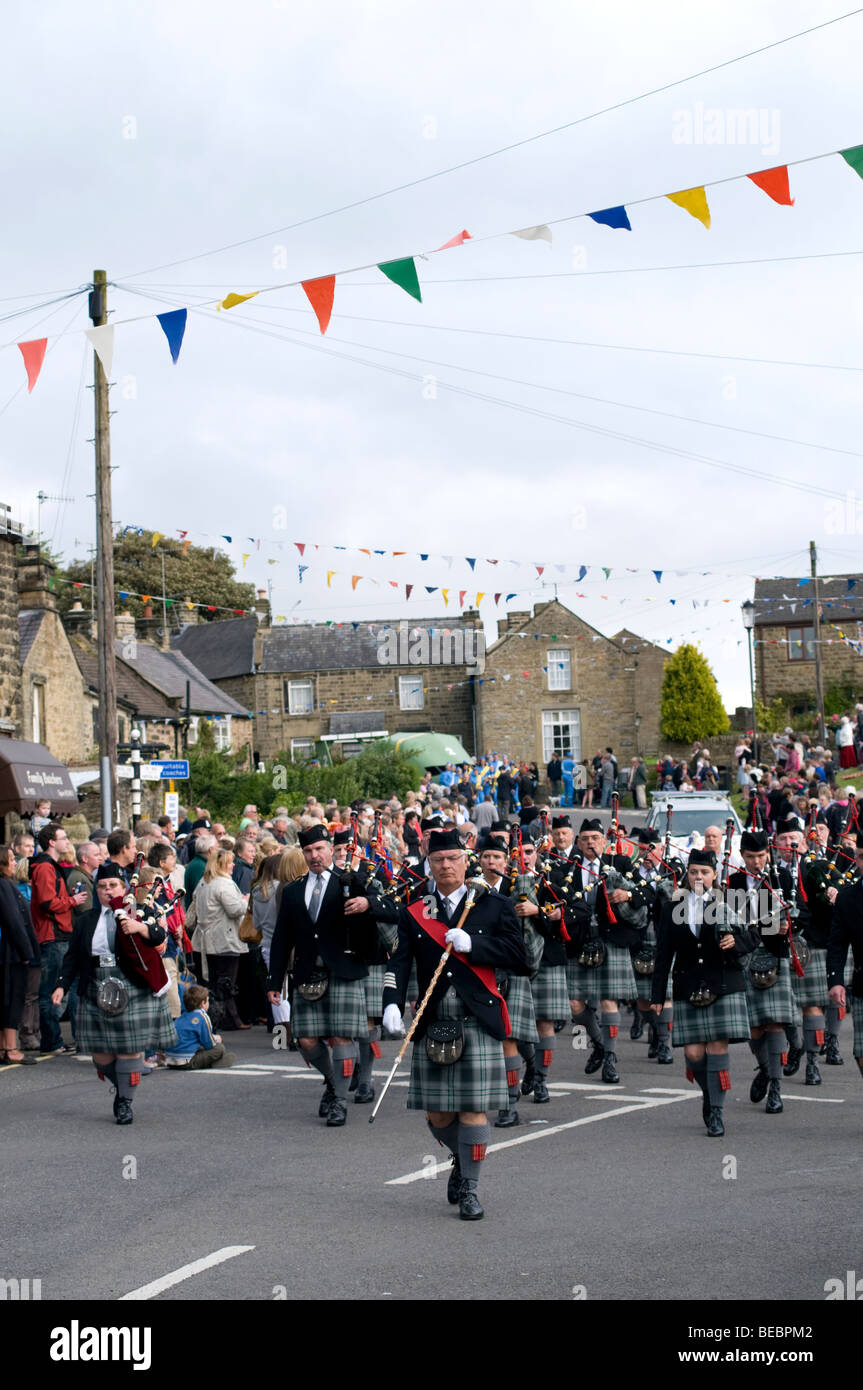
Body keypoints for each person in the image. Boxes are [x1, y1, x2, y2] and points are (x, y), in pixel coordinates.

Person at [381, 828, 530, 1220]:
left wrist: (474, 946)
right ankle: (461, 1160)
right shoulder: (416, 908)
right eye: (437, 860)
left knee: (473, 1109)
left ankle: (470, 1188)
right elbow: (398, 961)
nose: (446, 866)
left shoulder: (494, 904)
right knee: (439, 1114)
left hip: (476, 1017)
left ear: (467, 861)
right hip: (434, 1019)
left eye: (453, 859)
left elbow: (522, 957)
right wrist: (391, 1003)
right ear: (429, 864)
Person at [267, 825, 379, 1127]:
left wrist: (367, 903)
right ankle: (333, 1082)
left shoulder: (352, 881)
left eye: (319, 849)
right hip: (307, 972)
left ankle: (340, 1102)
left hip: (343, 970)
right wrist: (274, 981)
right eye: (308, 851)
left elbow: (385, 913)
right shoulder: (291, 891)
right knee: (305, 1040)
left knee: (342, 1037)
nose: (314, 856)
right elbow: (281, 939)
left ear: (331, 850)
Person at [53, 864, 178, 1124]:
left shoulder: (138, 911)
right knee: (101, 1057)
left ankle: (124, 1103)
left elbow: (158, 936)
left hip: (132, 983)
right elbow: (73, 956)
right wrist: (62, 985)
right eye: (102, 886)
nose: (107, 890)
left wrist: (140, 928)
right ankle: (124, 1087)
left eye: (113, 886)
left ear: (123, 888)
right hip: (96, 986)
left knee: (130, 1052)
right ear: (96, 890)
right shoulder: (86, 920)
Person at [652, 849, 753, 1136]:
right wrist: (657, 995)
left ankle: (717, 1113)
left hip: (723, 981)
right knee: (694, 1054)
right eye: (694, 872)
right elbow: (663, 952)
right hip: (688, 983)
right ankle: (710, 1093)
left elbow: (754, 935)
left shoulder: (730, 901)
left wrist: (735, 940)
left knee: (717, 1047)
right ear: (687, 873)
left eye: (704, 872)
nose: (698, 877)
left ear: (714, 876)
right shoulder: (673, 905)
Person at [564, 819, 648, 1083]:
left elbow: (648, 895)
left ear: (604, 841)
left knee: (609, 1000)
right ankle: (599, 1044)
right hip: (579, 941)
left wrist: (629, 896)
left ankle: (610, 1057)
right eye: (585, 838)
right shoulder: (569, 869)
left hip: (611, 938)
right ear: (578, 843)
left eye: (595, 838)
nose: (590, 842)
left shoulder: (620, 864)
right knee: (575, 1004)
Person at [728, 830, 799, 1114]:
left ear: (767, 855)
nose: (757, 862)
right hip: (745, 956)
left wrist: (788, 927)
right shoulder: (732, 882)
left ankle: (776, 1090)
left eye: (761, 856)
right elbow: (732, 922)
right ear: (742, 857)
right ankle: (768, 1070)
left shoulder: (780, 879)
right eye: (750, 857)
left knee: (775, 1024)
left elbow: (799, 913)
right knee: (753, 1028)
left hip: (773, 956)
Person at [30, 824, 88, 1054]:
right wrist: (72, 902)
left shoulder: (49, 866)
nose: (67, 842)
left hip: (58, 933)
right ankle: (51, 1040)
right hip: (52, 935)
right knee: (52, 989)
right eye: (63, 838)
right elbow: (47, 903)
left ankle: (54, 1040)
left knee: (60, 986)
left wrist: (68, 899)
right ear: (52, 842)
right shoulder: (45, 867)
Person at [190, 849, 250, 1031]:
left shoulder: (203, 882)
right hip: (223, 939)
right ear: (222, 865)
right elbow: (234, 909)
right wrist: (245, 900)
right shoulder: (223, 884)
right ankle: (229, 1020)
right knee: (226, 984)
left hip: (204, 941)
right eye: (230, 862)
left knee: (212, 983)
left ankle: (215, 1019)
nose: (233, 865)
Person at [826, 834, 863, 1084]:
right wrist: (836, 980)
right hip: (862, 983)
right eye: (861, 856)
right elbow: (837, 943)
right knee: (861, 1054)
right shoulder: (847, 897)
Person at [0, 845, 39, 1064]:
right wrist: (27, 952)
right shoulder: (5, 886)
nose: (15, 862)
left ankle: (3, 1048)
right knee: (12, 1000)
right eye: (11, 859)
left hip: (6, 952)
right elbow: (14, 922)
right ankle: (11, 1048)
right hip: (10, 955)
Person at [164, 984, 235, 1069]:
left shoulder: (181, 1016)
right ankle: (212, 1063)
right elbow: (209, 1044)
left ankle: (207, 1061)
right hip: (186, 1062)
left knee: (198, 1046)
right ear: (202, 1003)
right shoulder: (202, 1016)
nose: (208, 1003)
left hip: (170, 1060)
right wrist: (216, 1038)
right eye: (208, 1001)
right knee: (219, 1048)